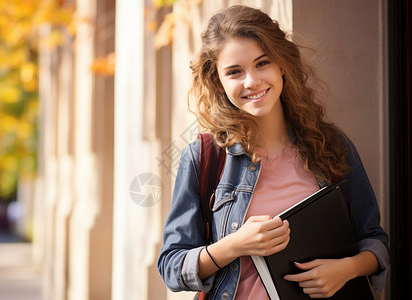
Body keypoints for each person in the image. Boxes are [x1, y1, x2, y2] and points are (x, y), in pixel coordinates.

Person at [158, 5, 389, 299]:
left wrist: (346, 269)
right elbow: (171, 266)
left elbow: (374, 240)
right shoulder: (203, 158)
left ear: (281, 65)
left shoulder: (330, 145)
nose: (251, 81)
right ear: (219, 81)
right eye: (235, 72)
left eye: (262, 63)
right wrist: (235, 245)